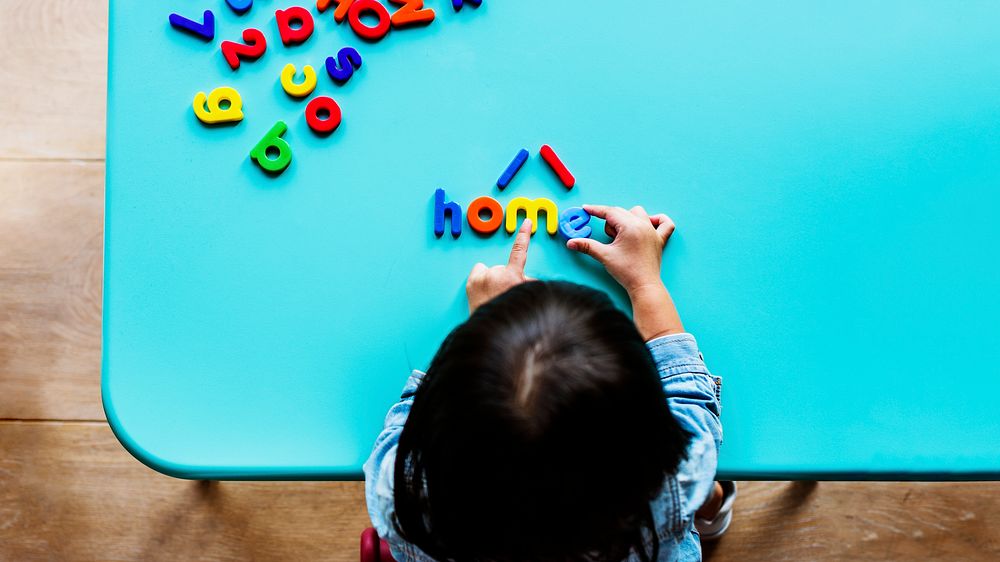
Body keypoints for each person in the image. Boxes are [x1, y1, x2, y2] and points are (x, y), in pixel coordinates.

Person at [365, 206, 734, 561]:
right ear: (647, 416)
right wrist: (645, 283)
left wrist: (486, 331)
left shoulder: (403, 498)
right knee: (701, 486)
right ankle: (711, 510)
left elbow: (403, 430)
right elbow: (686, 393)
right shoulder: (672, 479)